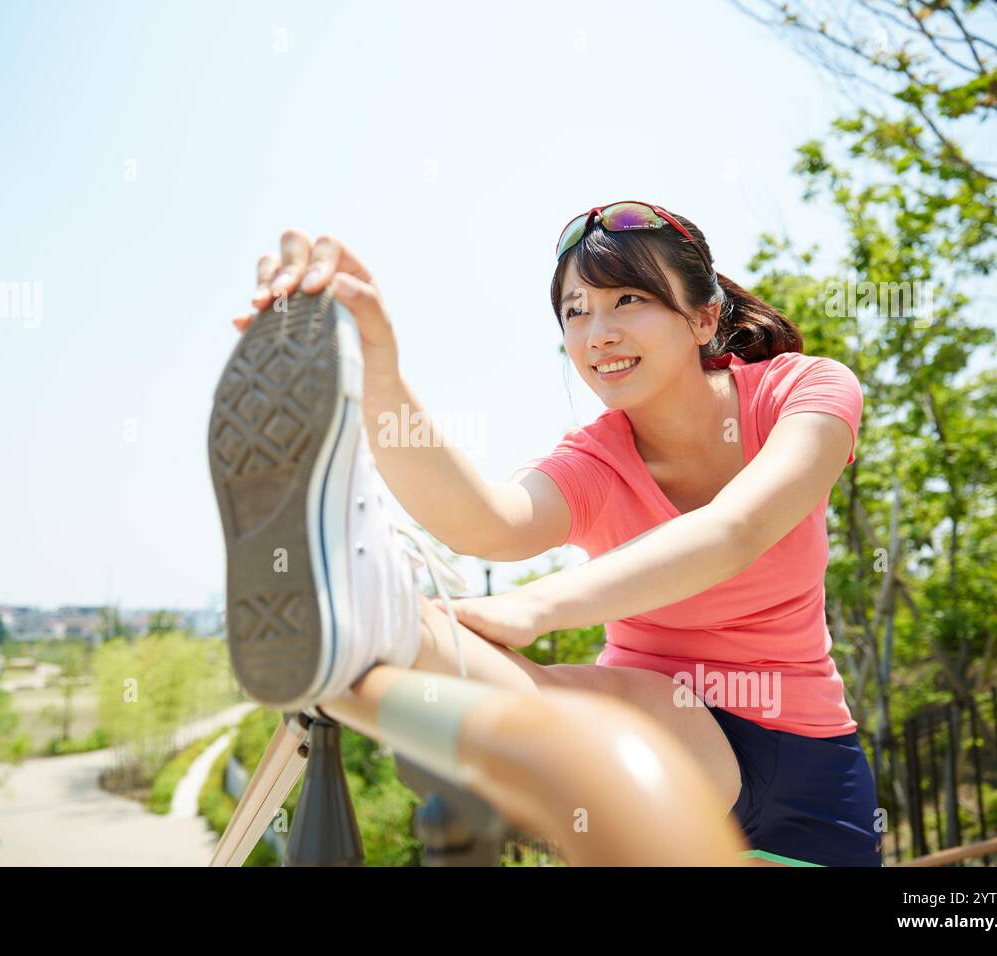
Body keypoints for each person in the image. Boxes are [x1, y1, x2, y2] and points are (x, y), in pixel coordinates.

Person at [211, 200, 882, 867]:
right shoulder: (595, 458)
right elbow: (488, 522)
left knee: (592, 698)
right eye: (576, 310)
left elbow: (738, 529)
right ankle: (375, 613)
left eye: (628, 300)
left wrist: (534, 605)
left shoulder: (804, 391)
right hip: (644, 744)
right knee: (588, 695)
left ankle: (385, 617)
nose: (599, 333)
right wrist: (380, 375)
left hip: (808, 770)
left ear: (704, 317)